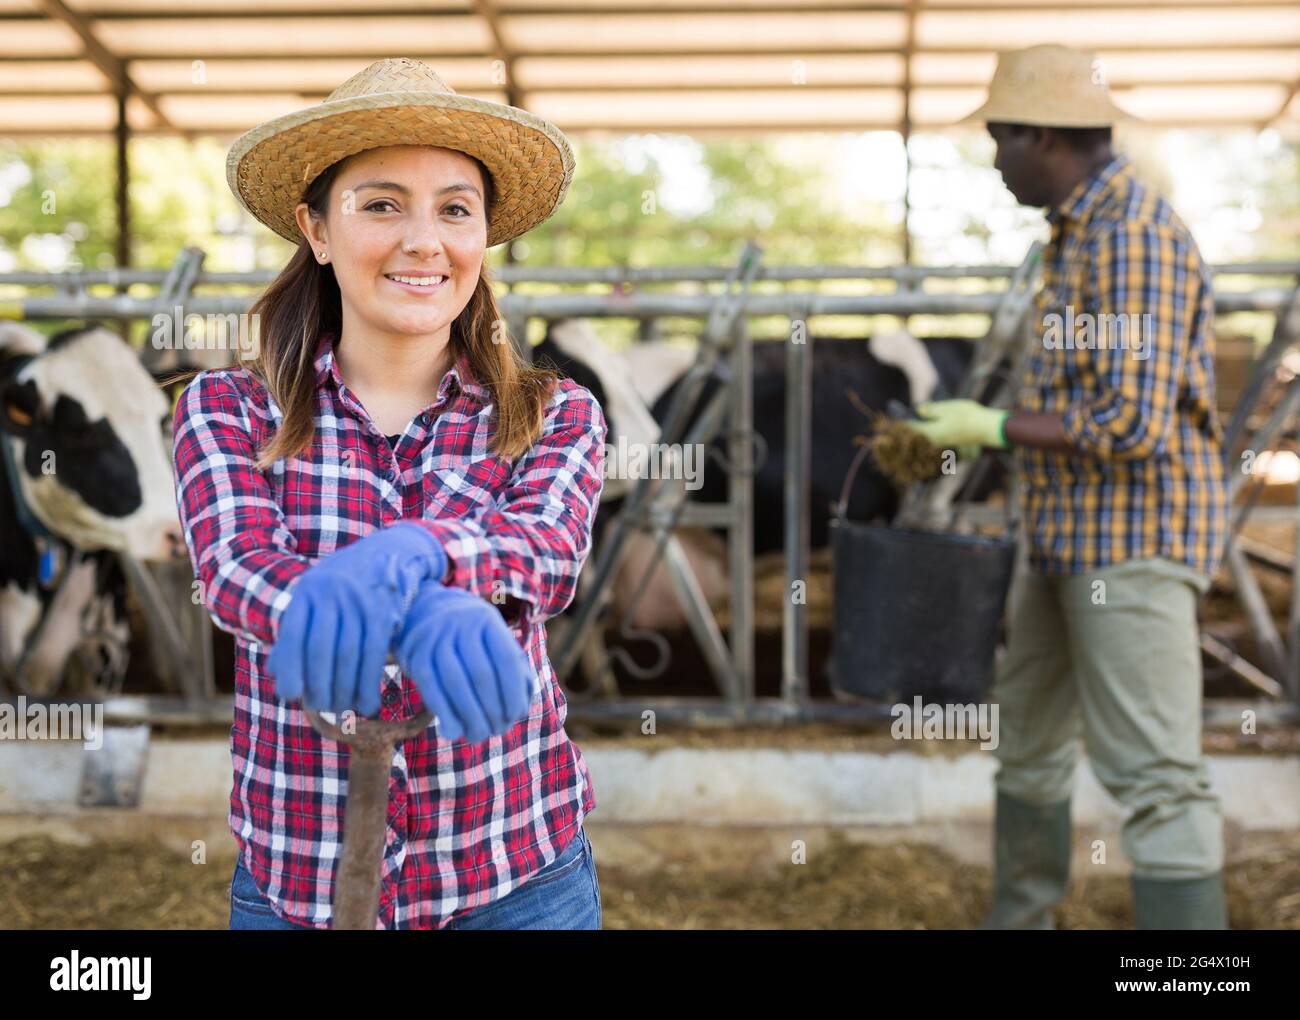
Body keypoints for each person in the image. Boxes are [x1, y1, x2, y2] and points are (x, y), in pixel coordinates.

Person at [170, 57, 607, 929]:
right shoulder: (225, 408)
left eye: (455, 208)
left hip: (517, 874)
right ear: (317, 229)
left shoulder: (555, 413)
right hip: (303, 882)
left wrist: (425, 553)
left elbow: (547, 552)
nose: (423, 241)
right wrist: (424, 602)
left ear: (483, 238)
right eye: (380, 204)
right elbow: (233, 569)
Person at [903, 44, 1230, 929]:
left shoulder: (1131, 234)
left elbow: (1132, 420)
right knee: (1030, 752)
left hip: (1134, 542)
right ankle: (1024, 921)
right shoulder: (1077, 236)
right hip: (1059, 539)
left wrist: (991, 428)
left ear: (1042, 136)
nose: (993, 156)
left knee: (1156, 775)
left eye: (999, 137)